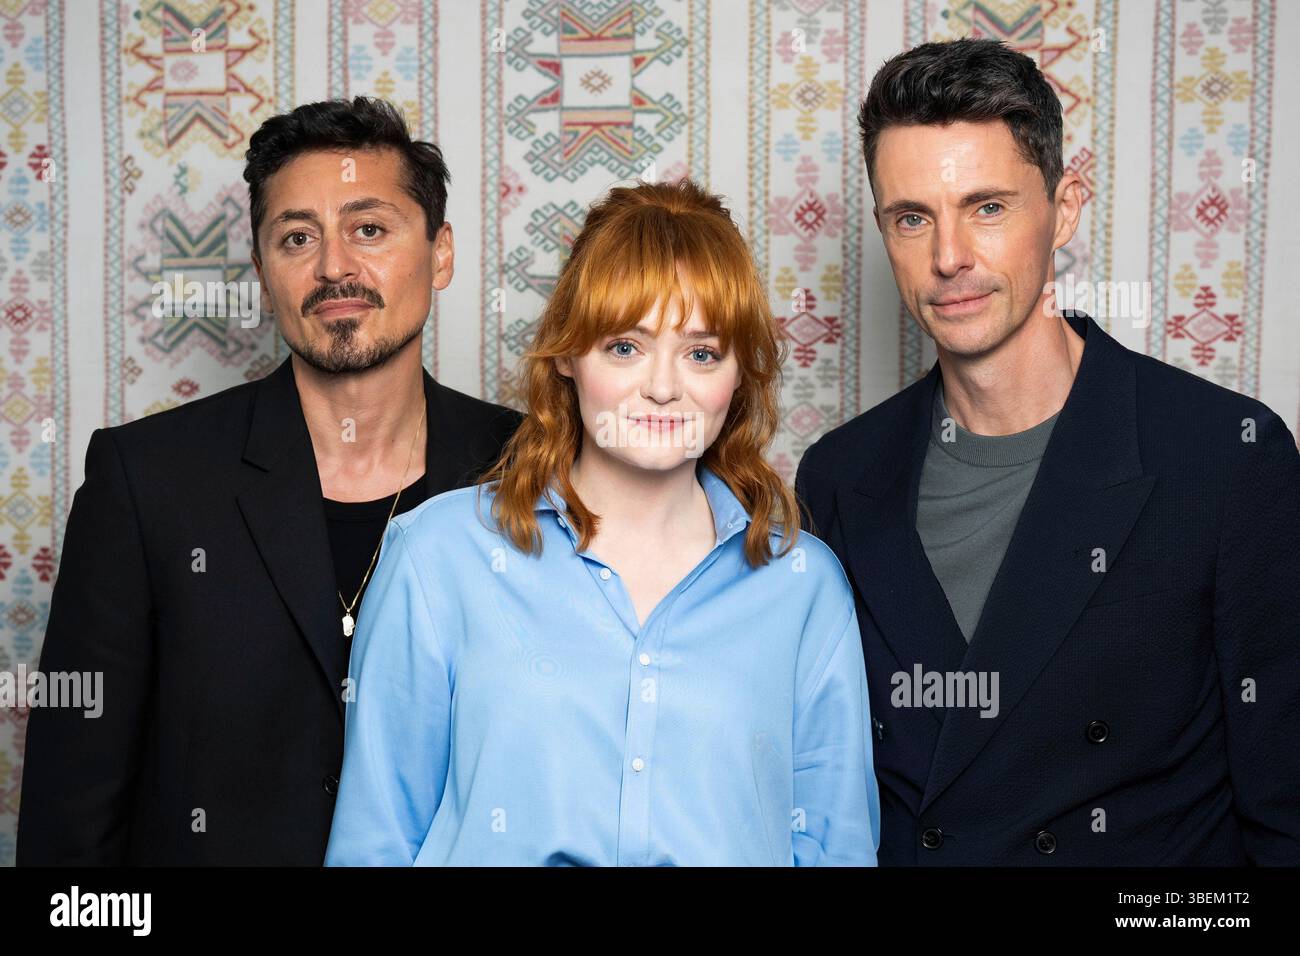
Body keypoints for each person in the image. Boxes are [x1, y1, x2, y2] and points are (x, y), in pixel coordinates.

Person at [797, 38, 1300, 865]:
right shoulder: (841, 474)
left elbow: (1285, 808)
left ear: (1065, 208)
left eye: (987, 206)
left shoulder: (1224, 458)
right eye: (912, 217)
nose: (949, 256)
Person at [17, 96, 522, 865]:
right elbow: (70, 817)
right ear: (261, 270)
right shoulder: (146, 480)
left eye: (370, 229)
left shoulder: (529, 467)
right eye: (296, 238)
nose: (334, 267)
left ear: (441, 251)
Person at [324, 178, 880, 866]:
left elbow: (835, 848)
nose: (664, 387)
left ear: (739, 376)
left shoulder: (803, 586)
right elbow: (374, 842)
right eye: (625, 346)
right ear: (566, 351)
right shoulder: (438, 558)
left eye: (702, 352)